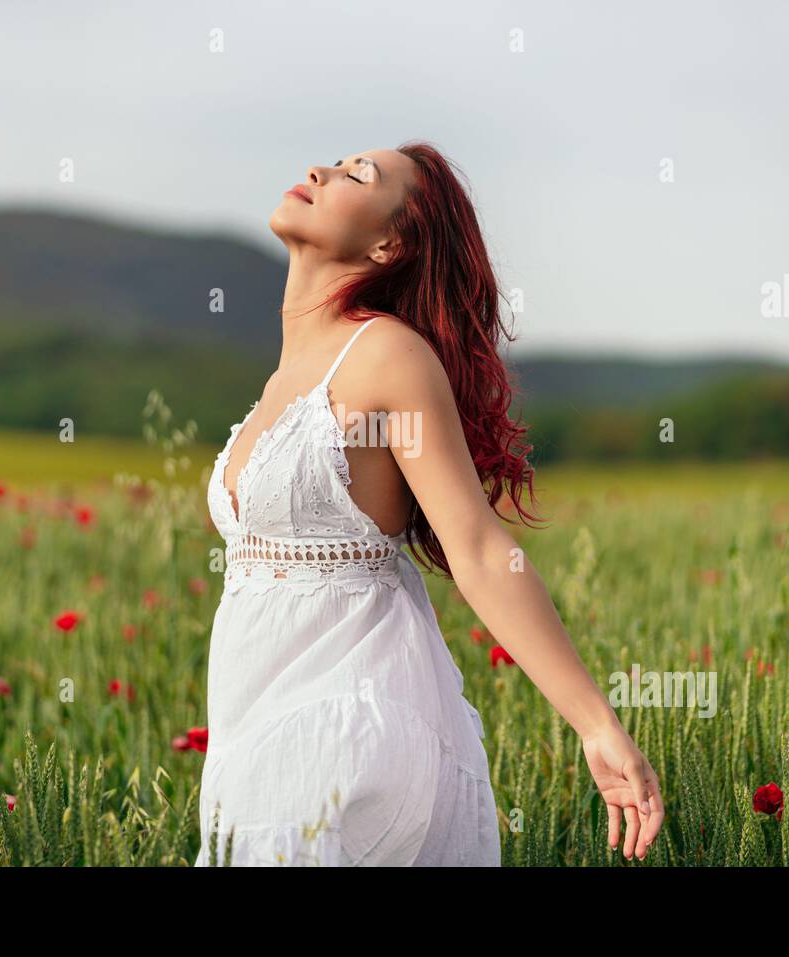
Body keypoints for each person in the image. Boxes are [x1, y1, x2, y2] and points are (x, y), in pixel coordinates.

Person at [194, 141, 663, 866]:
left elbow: (476, 548)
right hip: (251, 731)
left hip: (346, 719)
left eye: (358, 175)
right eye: (334, 162)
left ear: (391, 243)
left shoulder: (386, 355)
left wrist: (596, 724)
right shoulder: (285, 374)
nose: (319, 171)